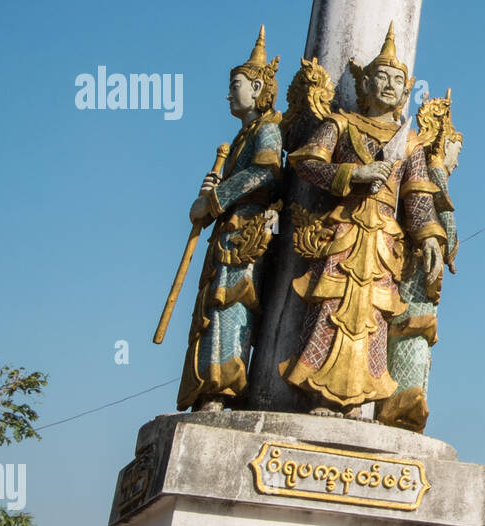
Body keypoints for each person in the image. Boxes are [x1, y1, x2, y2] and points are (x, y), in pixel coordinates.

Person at [279, 23, 445, 421]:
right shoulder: (341, 124)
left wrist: (431, 239)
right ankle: (320, 393)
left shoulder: (409, 142)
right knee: (331, 307)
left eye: (398, 80)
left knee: (374, 317)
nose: (389, 85)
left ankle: (359, 399)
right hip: (345, 228)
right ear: (365, 84)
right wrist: (352, 175)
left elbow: (418, 196)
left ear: (407, 91)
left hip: (385, 240)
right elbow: (306, 162)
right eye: (382, 77)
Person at [177, 26, 283, 411]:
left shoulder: (268, 129)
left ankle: (224, 387)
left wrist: (215, 200)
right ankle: (208, 387)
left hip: (247, 231)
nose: (229, 92)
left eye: (236, 83)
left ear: (258, 88)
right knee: (213, 306)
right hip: (229, 230)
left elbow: (266, 173)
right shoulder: (242, 137)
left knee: (230, 305)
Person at [383, 93, 462, 431]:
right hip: (414, 275)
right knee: (411, 338)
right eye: (457, 150)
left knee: (414, 341)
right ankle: (400, 410)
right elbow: (447, 234)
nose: (457, 159)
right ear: (444, 146)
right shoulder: (434, 176)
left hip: (416, 276)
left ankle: (402, 409)